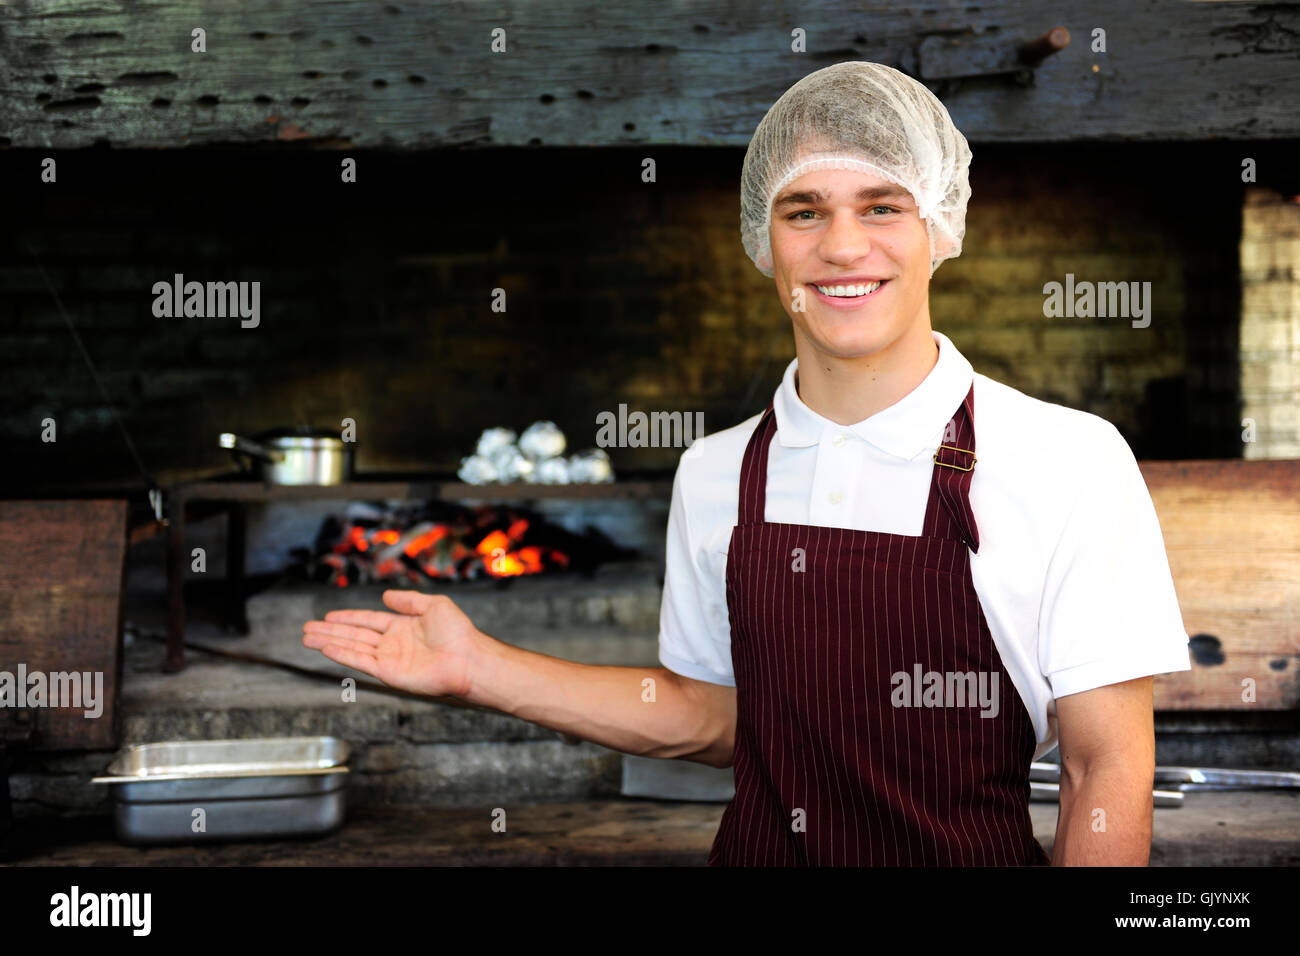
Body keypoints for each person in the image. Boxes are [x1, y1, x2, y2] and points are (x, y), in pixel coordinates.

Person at [302, 61, 1191, 866]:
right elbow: (712, 716)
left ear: (939, 228)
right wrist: (483, 670)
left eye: (881, 206)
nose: (843, 248)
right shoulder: (715, 472)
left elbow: (1100, 765)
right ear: (764, 244)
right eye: (804, 211)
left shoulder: (1065, 459)